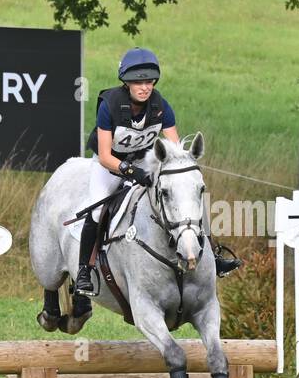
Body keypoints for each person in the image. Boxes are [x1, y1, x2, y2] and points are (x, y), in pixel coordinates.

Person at [74, 48, 240, 297]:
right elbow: (106, 156)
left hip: (144, 162)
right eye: (138, 82)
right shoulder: (109, 106)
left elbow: (174, 149)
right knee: (97, 210)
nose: (145, 87)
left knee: (187, 198)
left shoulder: (161, 106)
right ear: (126, 83)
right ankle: (84, 271)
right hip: (110, 165)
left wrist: (177, 172)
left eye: (149, 82)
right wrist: (131, 171)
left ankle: (213, 257)